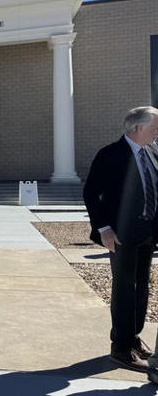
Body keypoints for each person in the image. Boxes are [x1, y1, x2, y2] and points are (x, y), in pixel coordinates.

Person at [84, 106, 158, 373]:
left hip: (148, 233)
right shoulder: (110, 154)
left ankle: (134, 338)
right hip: (121, 235)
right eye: (155, 126)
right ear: (137, 128)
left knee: (141, 287)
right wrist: (103, 228)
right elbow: (92, 192)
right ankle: (121, 347)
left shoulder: (152, 151)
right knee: (125, 288)